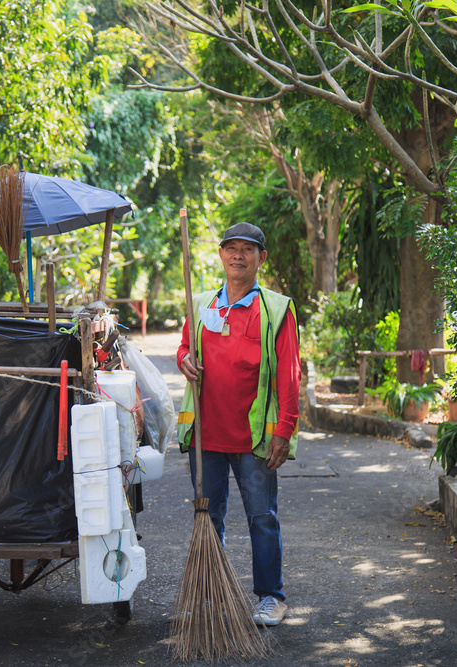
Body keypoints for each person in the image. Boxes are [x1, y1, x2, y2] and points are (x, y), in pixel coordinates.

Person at [176, 221, 300, 627]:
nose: (238, 255)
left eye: (248, 249)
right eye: (232, 248)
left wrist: (284, 429)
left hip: (253, 440)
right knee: (207, 518)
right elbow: (184, 348)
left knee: (262, 517)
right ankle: (213, 593)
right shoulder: (202, 305)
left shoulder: (276, 309)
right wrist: (184, 360)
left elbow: (289, 374)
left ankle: (271, 597)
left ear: (261, 259)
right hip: (205, 435)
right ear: (221, 254)